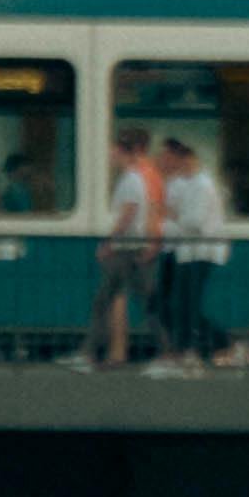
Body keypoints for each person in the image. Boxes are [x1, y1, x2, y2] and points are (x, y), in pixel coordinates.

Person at [95, 121, 162, 372]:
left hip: (135, 247)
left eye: (116, 148)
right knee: (127, 298)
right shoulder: (145, 174)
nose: (111, 153)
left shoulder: (142, 175)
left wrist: (152, 242)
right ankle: (116, 351)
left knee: (130, 299)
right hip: (138, 245)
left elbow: (149, 210)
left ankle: (119, 351)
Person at [160, 133, 230, 365]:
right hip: (189, 251)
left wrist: (173, 215)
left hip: (200, 251)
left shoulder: (202, 186)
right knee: (183, 302)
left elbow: (196, 221)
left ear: (188, 160)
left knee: (186, 302)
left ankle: (198, 347)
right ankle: (201, 345)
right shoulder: (193, 184)